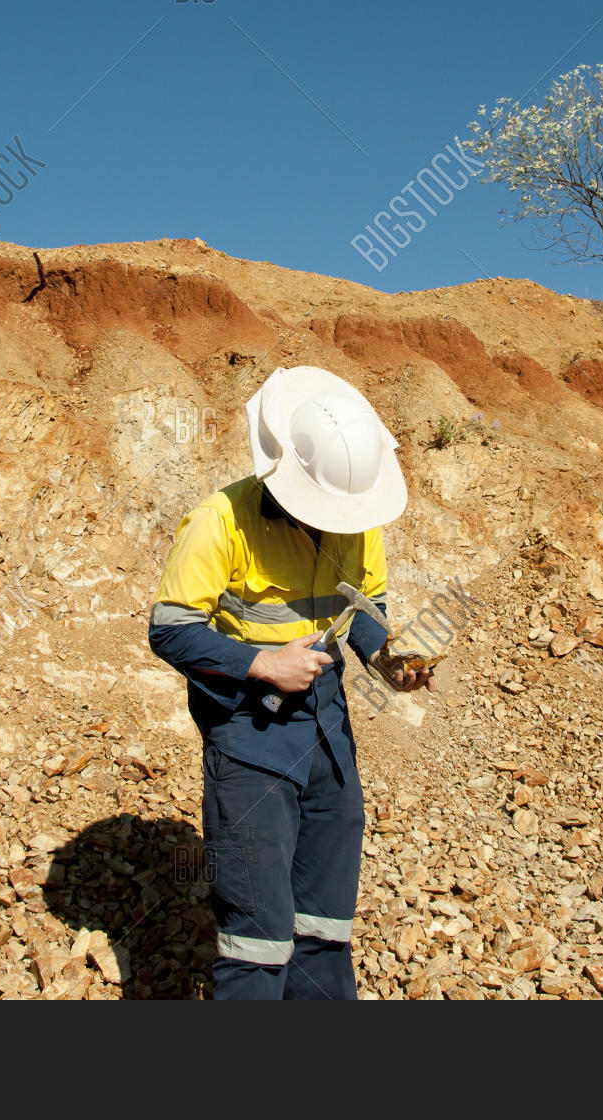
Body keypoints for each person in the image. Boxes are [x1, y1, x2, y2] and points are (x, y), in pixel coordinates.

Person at [148, 365, 433, 999]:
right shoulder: (220, 521)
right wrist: (261, 663)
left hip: (329, 740)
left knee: (326, 931)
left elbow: (364, 611)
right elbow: (168, 630)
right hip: (250, 738)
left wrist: (388, 660)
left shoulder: (358, 519)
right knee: (257, 941)